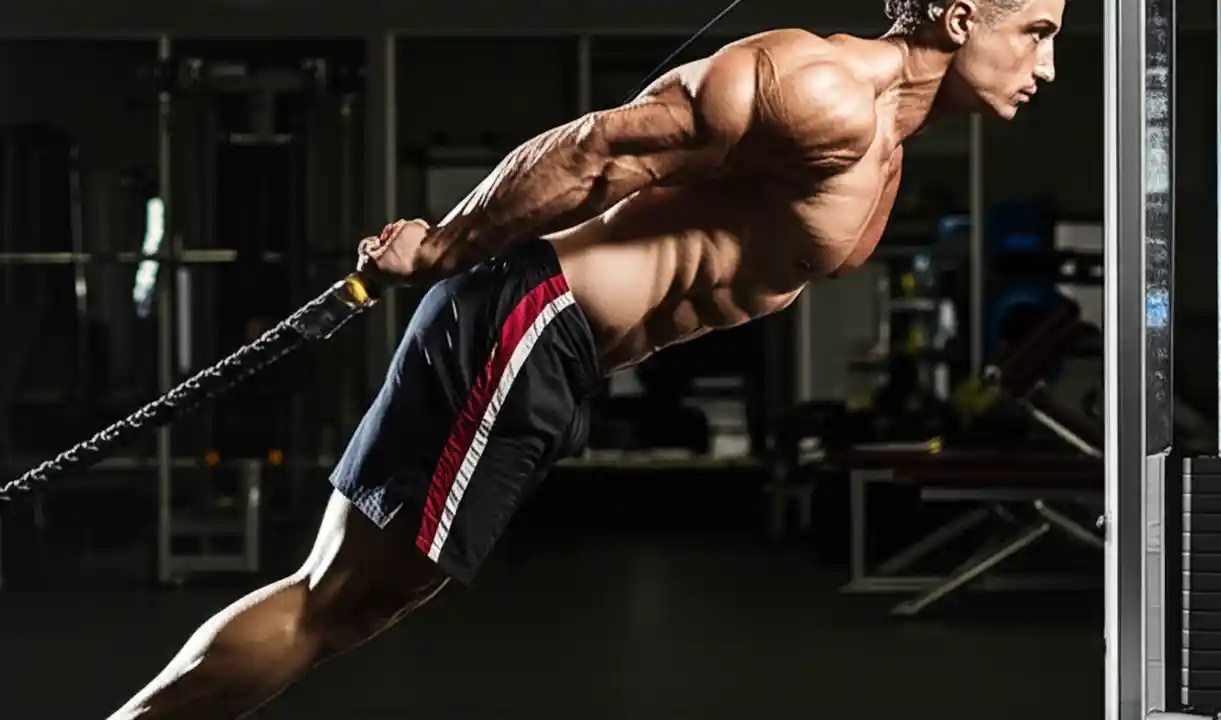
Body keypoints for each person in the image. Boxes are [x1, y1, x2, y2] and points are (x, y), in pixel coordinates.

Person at [110, 0, 1063, 716]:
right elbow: (600, 150)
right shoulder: (822, 91)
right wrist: (445, 246)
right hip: (533, 321)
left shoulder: (888, 145)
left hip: (552, 348)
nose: (1048, 63)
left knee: (352, 604)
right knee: (336, 603)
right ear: (958, 16)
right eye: (1036, 31)